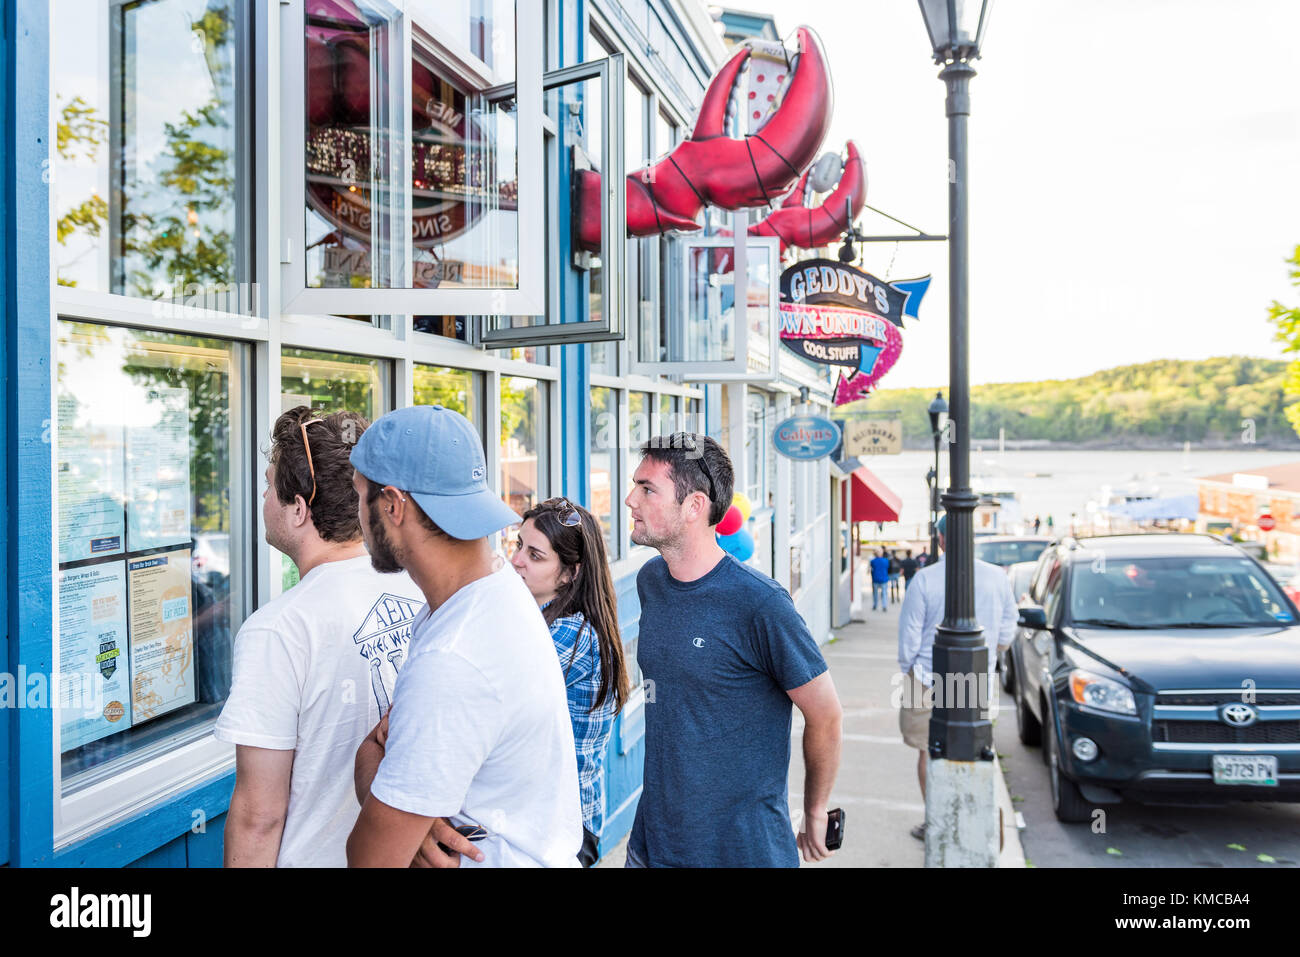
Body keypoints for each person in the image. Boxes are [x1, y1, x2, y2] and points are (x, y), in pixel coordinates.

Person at [346, 405, 581, 868]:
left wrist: (368, 757)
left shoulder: (453, 656)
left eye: (360, 496)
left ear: (392, 504)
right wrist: (411, 809)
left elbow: (369, 860)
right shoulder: (494, 594)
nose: (357, 515)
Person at [216, 407, 425, 867]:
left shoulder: (278, 630)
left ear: (298, 509)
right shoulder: (420, 586)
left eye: (270, 486)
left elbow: (259, 816)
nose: (264, 497)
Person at [624, 432, 843, 867]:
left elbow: (826, 712)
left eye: (647, 489)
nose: (631, 499)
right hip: (654, 845)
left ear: (694, 507)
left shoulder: (760, 603)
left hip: (743, 851)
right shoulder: (651, 581)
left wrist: (816, 809)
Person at [510, 497, 631, 867]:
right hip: (545, 817)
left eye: (535, 555)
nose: (516, 560)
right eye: (518, 546)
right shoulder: (538, 618)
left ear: (569, 573)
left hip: (562, 827)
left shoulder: (572, 636)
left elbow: (488, 695)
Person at [896, 513, 1017, 841]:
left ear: (942, 540)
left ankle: (937, 821)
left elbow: (909, 634)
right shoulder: (997, 578)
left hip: (926, 675)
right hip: (976, 680)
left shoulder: (924, 579)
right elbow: (1009, 626)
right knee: (976, 749)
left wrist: (907, 668)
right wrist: (992, 653)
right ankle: (972, 820)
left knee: (928, 750)